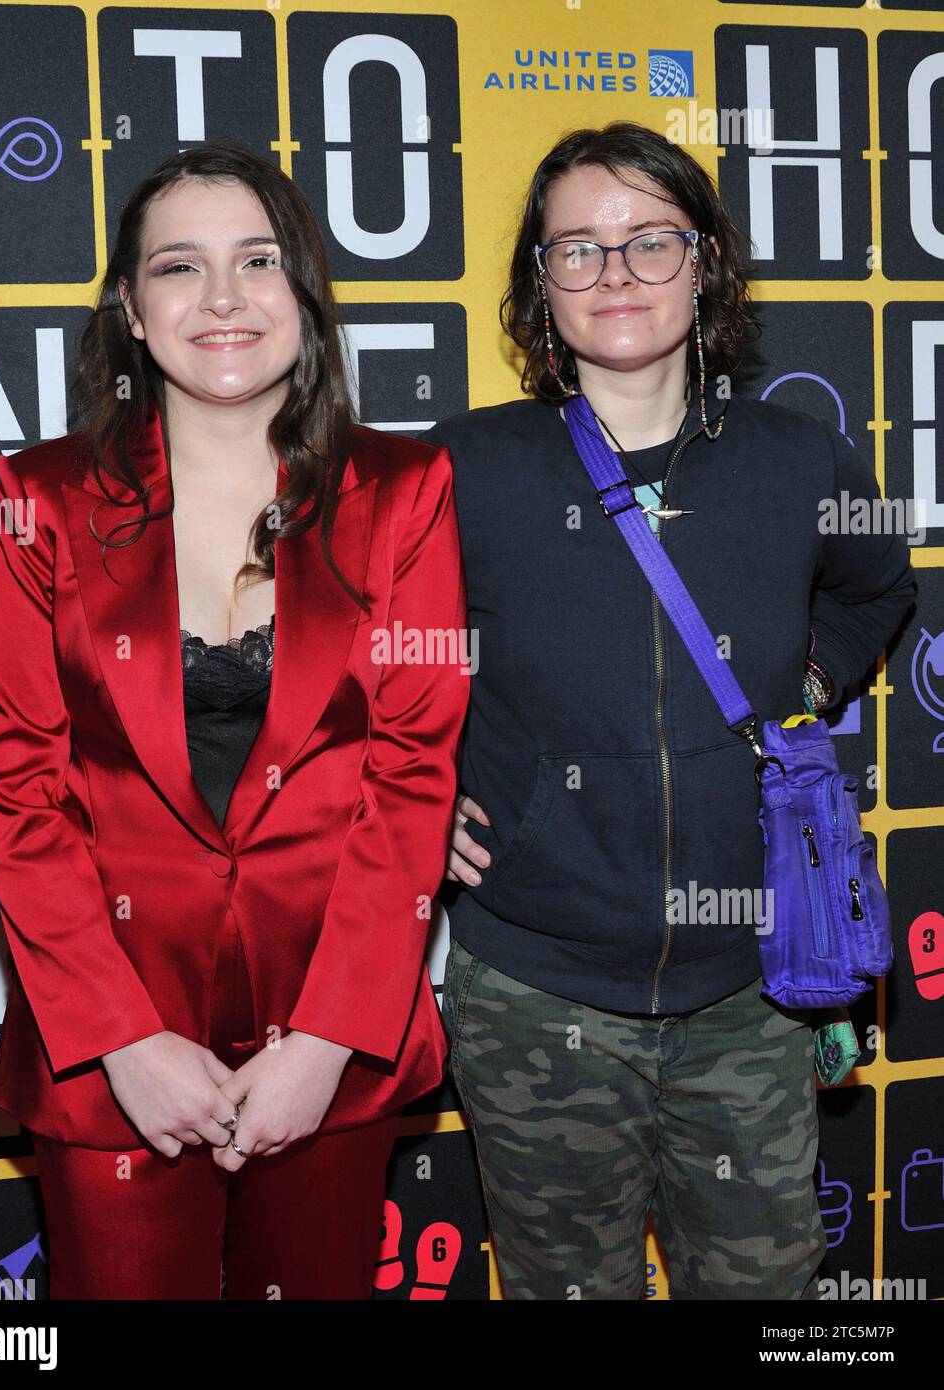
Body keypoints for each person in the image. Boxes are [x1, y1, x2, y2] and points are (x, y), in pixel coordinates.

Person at [0, 141, 470, 1300]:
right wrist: (120, 1037)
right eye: (180, 267)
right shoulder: (35, 499)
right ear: (132, 310)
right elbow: (12, 781)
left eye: (259, 260)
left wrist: (330, 1041)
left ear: (305, 293)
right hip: (110, 1050)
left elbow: (412, 776)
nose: (226, 298)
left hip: (334, 1040)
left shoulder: (402, 493)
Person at [419, 122, 917, 1301]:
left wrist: (804, 684)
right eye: (577, 251)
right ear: (540, 287)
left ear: (706, 265)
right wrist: (414, 793)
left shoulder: (801, 458)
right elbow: (362, 659)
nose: (618, 274)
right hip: (535, 994)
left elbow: (875, 586)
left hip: (752, 990)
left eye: (651, 241)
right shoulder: (463, 467)